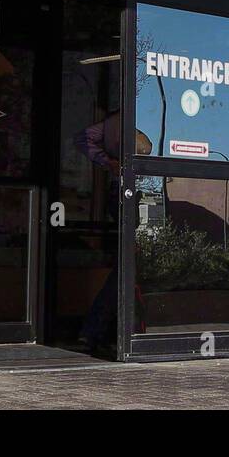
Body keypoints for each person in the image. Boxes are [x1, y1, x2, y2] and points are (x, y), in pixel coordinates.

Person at [74, 109, 152, 358]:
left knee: (126, 272)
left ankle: (100, 332)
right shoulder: (118, 122)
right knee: (126, 271)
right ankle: (99, 331)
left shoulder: (151, 112)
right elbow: (83, 138)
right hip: (124, 195)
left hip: (136, 195)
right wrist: (108, 162)